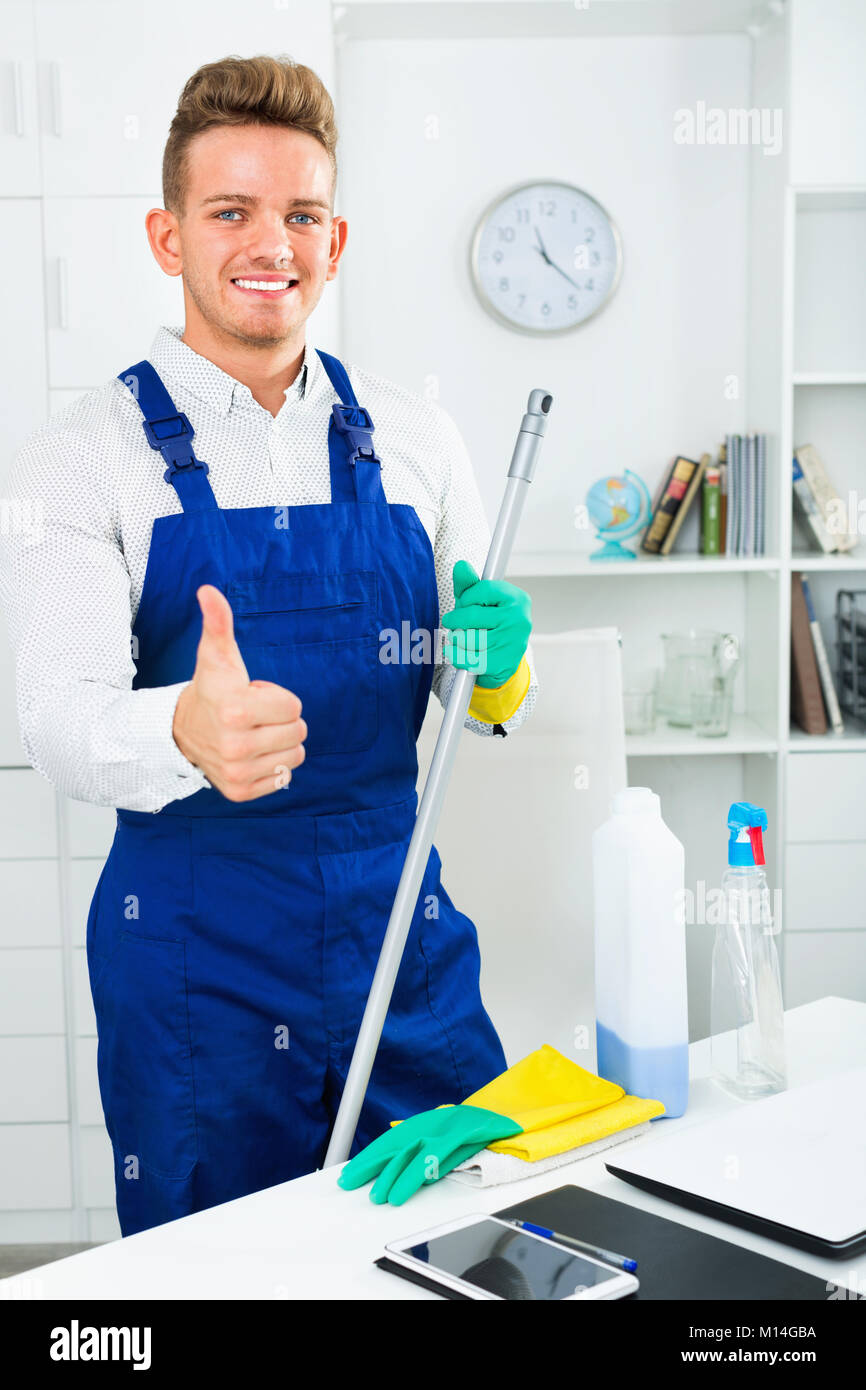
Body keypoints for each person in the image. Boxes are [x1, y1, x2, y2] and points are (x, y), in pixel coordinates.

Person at [0, 54, 537, 1237]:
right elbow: (56, 714)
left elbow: (470, 694)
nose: (269, 243)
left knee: (472, 1241)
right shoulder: (78, 458)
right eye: (229, 210)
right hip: (196, 959)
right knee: (224, 1270)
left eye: (299, 214)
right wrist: (181, 729)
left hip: (403, 936)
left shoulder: (416, 434)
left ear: (333, 241)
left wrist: (494, 670)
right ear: (167, 233)